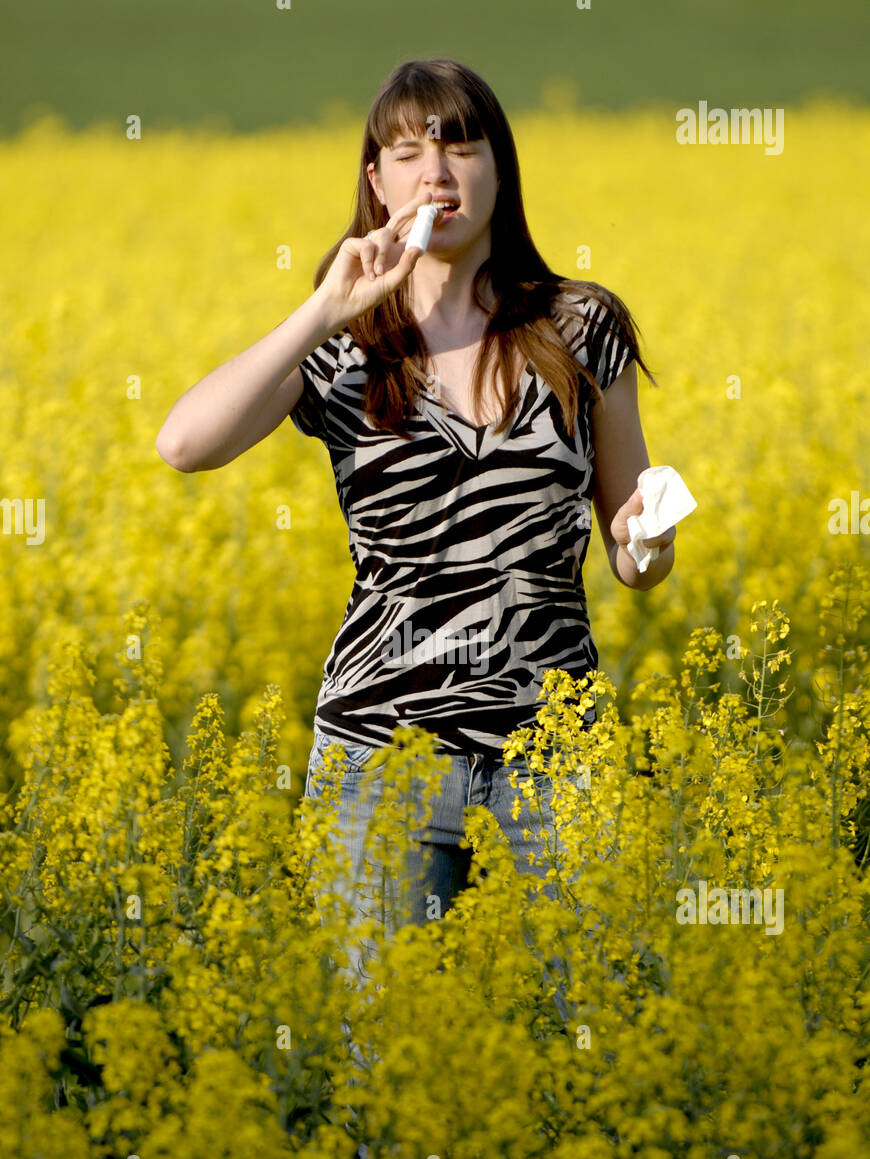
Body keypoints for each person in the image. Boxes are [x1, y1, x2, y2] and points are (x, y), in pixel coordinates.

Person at [156, 57, 680, 987]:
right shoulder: (345, 346)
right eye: (408, 152)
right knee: (386, 1045)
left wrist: (650, 539)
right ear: (377, 181)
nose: (436, 170)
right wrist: (327, 306)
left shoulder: (581, 327)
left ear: (498, 169)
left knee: (598, 1035)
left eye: (461, 146)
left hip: (558, 755)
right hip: (380, 755)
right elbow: (185, 444)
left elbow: (631, 553)